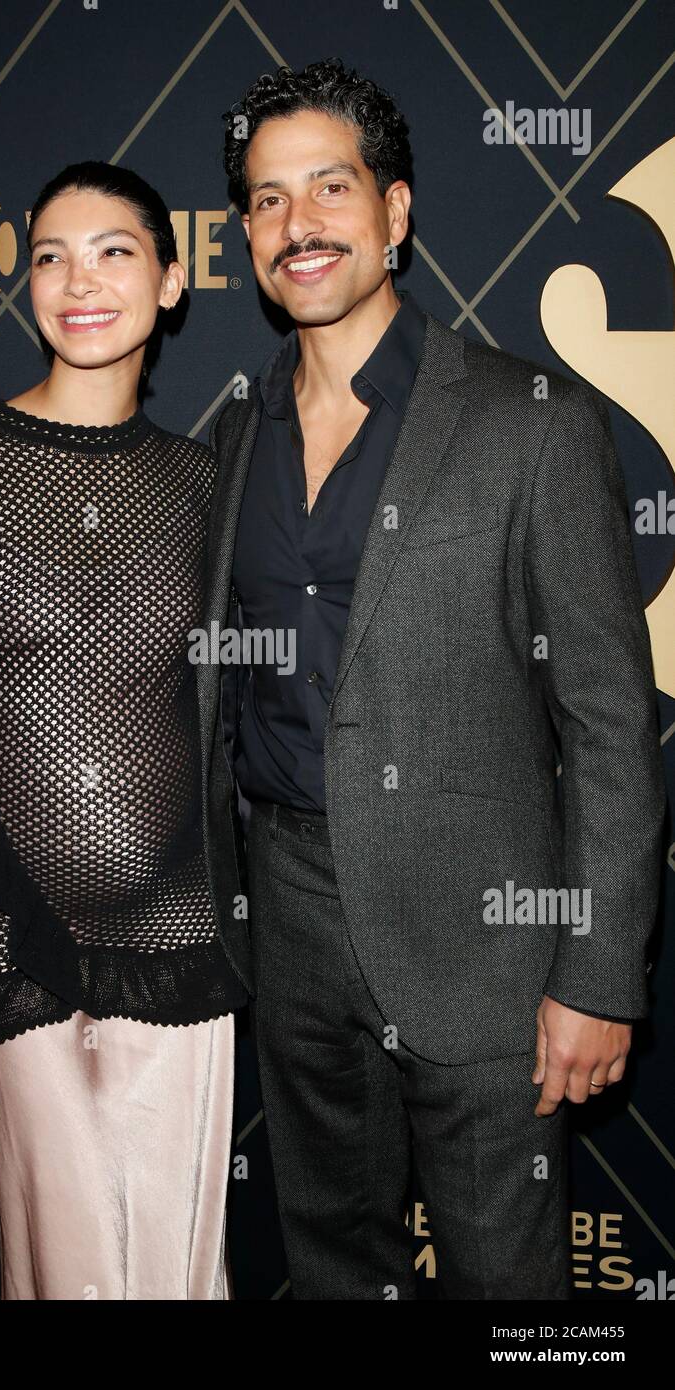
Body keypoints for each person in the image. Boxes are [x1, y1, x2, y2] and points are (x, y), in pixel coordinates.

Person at [199, 59, 667, 1299]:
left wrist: (595, 970)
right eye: (264, 200)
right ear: (244, 232)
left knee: (508, 1288)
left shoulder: (532, 420)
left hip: (487, 947)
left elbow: (612, 723)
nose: (296, 225)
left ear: (394, 212)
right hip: (289, 927)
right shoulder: (233, 432)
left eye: (329, 188)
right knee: (334, 1268)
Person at [0, 160, 250, 1300]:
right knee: (67, 1266)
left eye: (113, 252)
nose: (79, 281)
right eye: (49, 256)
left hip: (178, 933)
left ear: (171, 282)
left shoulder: (201, 483)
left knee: (180, 1272)